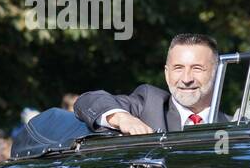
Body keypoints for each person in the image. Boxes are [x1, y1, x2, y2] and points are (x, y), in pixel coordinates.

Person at [74, 32, 229, 134]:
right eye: (178, 68)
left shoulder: (233, 125)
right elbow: (87, 100)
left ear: (217, 73)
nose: (186, 79)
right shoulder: (150, 104)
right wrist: (123, 118)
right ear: (167, 74)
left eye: (197, 68)